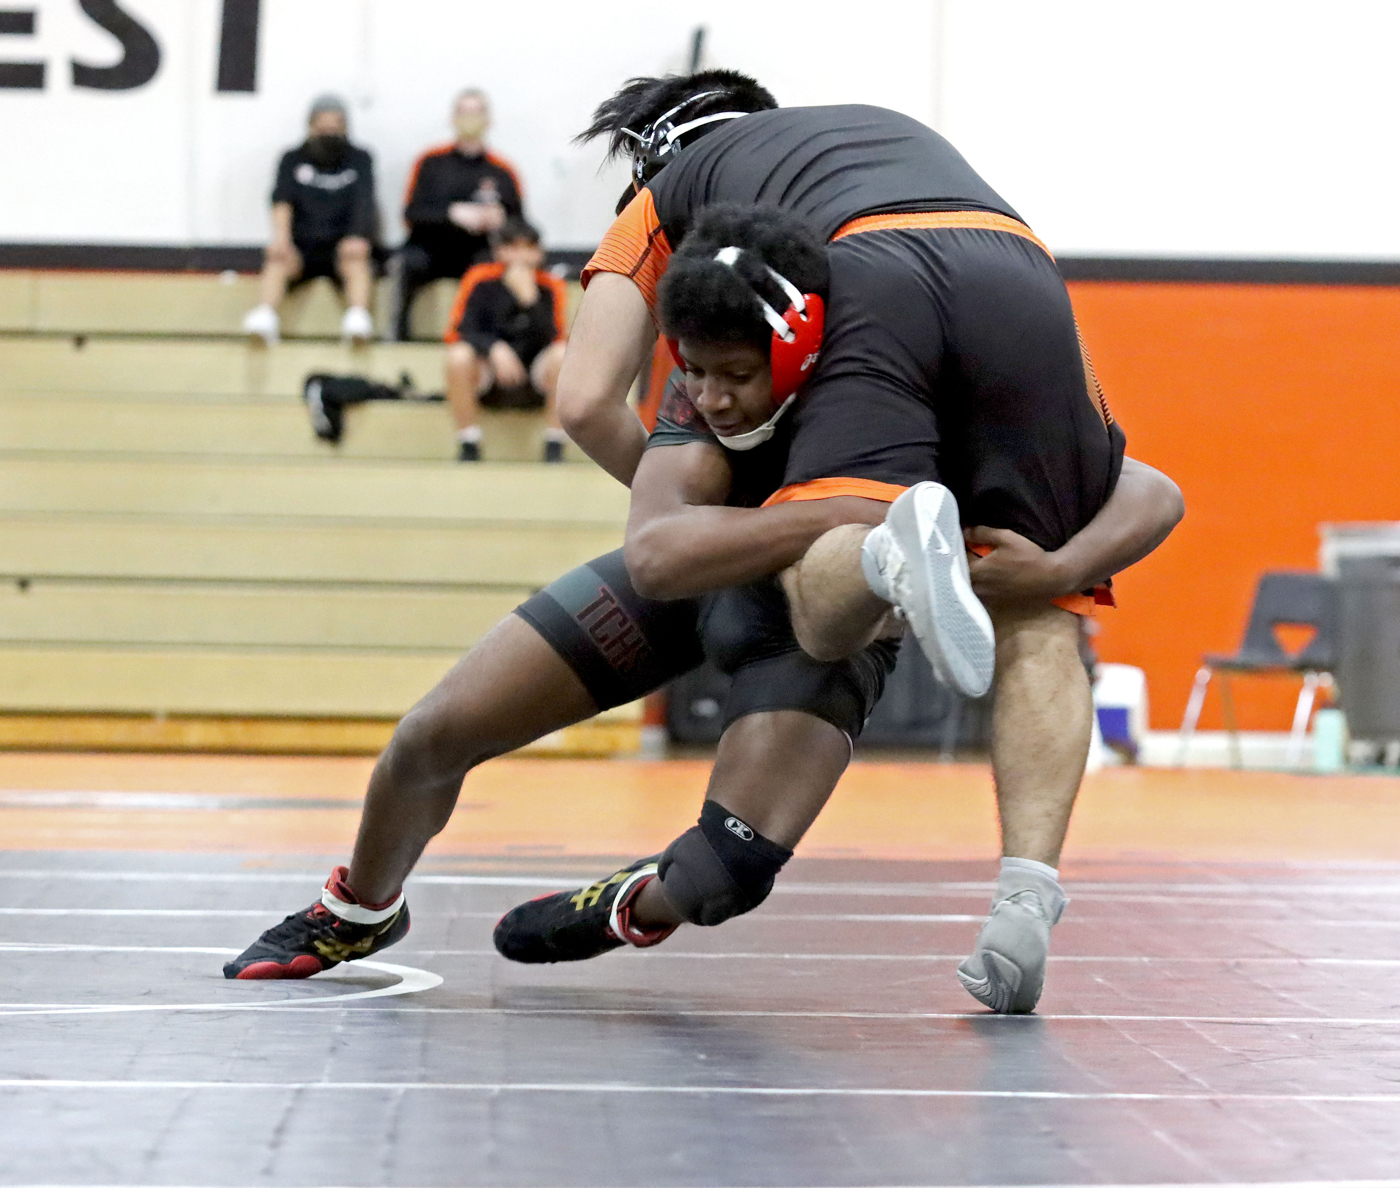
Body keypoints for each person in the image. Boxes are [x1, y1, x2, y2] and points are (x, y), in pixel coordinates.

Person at [222, 207, 1183, 1019]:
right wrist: (835, 509)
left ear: (799, 349)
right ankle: (357, 910)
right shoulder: (708, 364)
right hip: (707, 576)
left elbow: (1149, 488)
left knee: (722, 878)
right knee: (431, 734)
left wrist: (1059, 567)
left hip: (818, 633)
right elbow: (655, 540)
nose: (715, 399)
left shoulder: (916, 382)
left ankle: (629, 903)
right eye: (698, 373)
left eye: (736, 378)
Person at [552, 72, 1184, 1012]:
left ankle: (889, 557)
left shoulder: (668, 190)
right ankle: (1026, 897)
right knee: (1040, 611)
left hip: (875, 272)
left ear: (653, 158)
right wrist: (1060, 567)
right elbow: (1153, 491)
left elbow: (583, 401)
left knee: (823, 592)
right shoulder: (852, 139)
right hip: (1021, 266)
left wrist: (713, 511)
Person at [243, 94, 378, 345]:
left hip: (341, 246)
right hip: (302, 246)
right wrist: (281, 239)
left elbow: (365, 201)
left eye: (335, 126)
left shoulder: (360, 159)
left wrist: (357, 236)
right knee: (278, 260)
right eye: (323, 126)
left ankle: (358, 319)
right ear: (311, 126)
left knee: (357, 262)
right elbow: (281, 201)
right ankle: (265, 315)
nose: (329, 133)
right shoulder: (292, 159)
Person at [395, 89, 524, 341]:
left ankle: (486, 339)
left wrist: (500, 220)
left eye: (476, 112)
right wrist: (451, 214)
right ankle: (399, 335)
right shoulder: (430, 162)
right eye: (464, 112)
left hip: (478, 251)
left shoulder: (502, 171)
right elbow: (412, 213)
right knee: (407, 263)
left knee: (494, 266)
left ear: (488, 120)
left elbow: (520, 225)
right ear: (453, 118)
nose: (470, 119)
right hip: (430, 248)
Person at [443, 218, 570, 463]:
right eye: (513, 248)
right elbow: (461, 329)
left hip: (535, 370)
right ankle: (468, 440)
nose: (520, 256)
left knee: (562, 355)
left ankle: (554, 441)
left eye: (528, 248)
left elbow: (554, 335)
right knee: (458, 355)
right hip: (489, 370)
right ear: (499, 251)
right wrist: (494, 348)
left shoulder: (551, 284)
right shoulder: (480, 279)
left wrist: (530, 300)